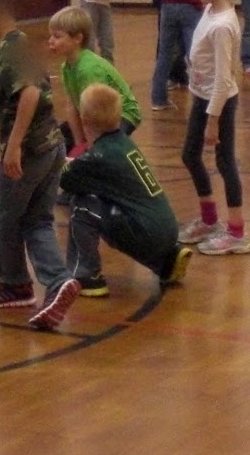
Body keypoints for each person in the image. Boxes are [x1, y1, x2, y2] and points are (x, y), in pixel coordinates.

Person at [0, 0, 80, 331]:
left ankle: (15, 284)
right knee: (37, 219)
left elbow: (29, 93)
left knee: (1, 220)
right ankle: (59, 281)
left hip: (31, 149)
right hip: (51, 146)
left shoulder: (9, 49)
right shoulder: (21, 42)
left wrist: (13, 146)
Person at [61, 83, 188, 297]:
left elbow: (65, 176)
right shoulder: (122, 143)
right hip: (167, 231)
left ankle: (87, 276)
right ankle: (164, 262)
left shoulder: (99, 156)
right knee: (115, 206)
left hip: (145, 232)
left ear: (83, 120)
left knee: (82, 205)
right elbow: (79, 164)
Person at [178, 0, 250, 255]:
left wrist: (213, 119)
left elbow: (224, 78)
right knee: (190, 156)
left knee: (225, 162)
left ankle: (237, 233)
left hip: (218, 102)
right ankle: (210, 220)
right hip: (202, 97)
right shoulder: (210, 10)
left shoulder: (223, 24)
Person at [46, 5, 140, 152]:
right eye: (51, 35)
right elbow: (72, 106)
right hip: (92, 114)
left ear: (77, 38)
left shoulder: (88, 69)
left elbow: (96, 114)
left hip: (120, 114)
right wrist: (78, 143)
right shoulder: (66, 67)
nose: (51, 41)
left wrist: (90, 146)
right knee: (55, 139)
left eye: (57, 36)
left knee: (104, 148)